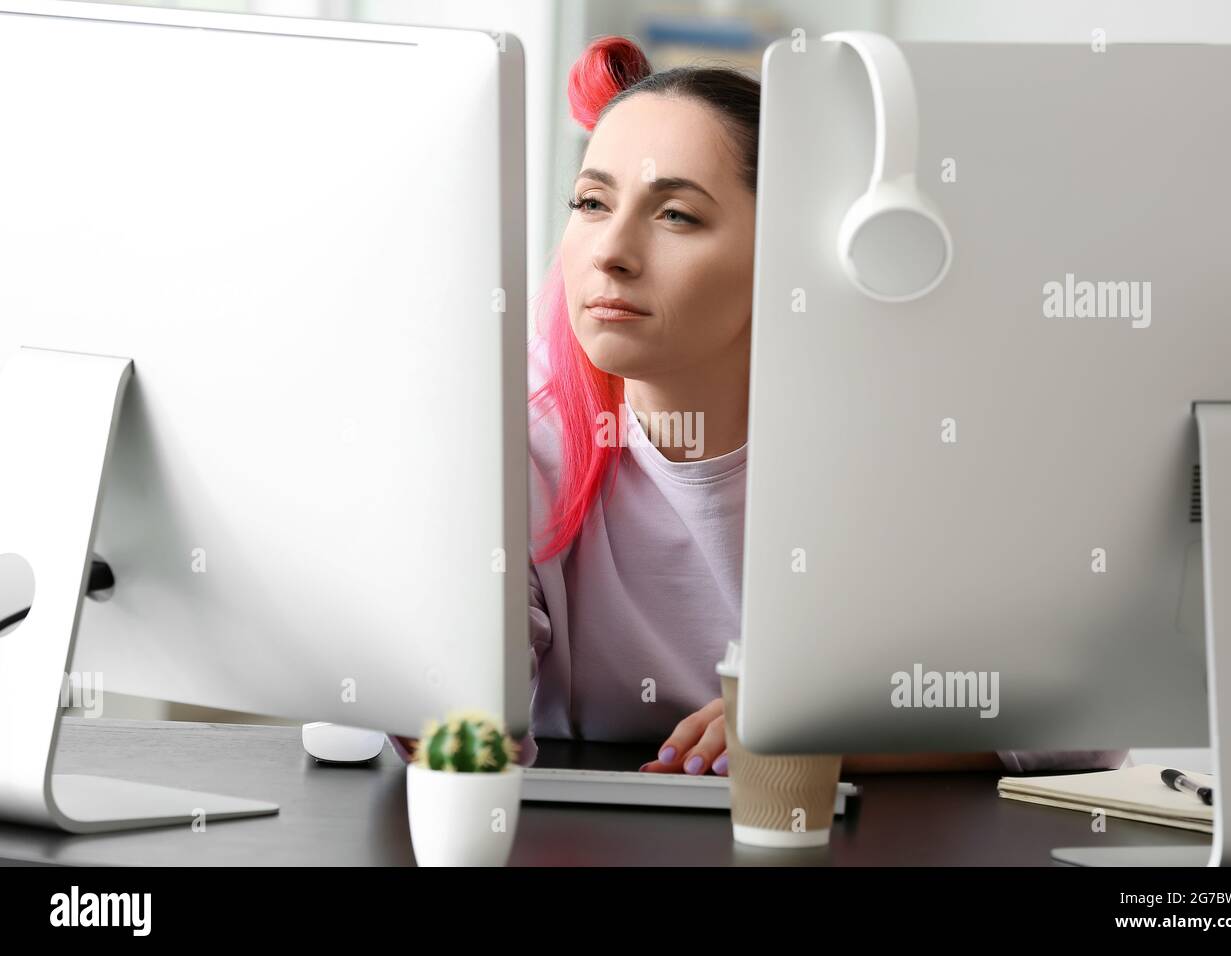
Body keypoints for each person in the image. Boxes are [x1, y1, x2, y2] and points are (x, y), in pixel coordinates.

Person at [400, 35, 1129, 778]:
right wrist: (426, 686)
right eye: (591, 202)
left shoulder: (910, 439)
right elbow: (465, 725)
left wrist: (826, 735)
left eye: (676, 215)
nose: (609, 251)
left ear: (788, 250)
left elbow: (1084, 717)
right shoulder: (519, 435)